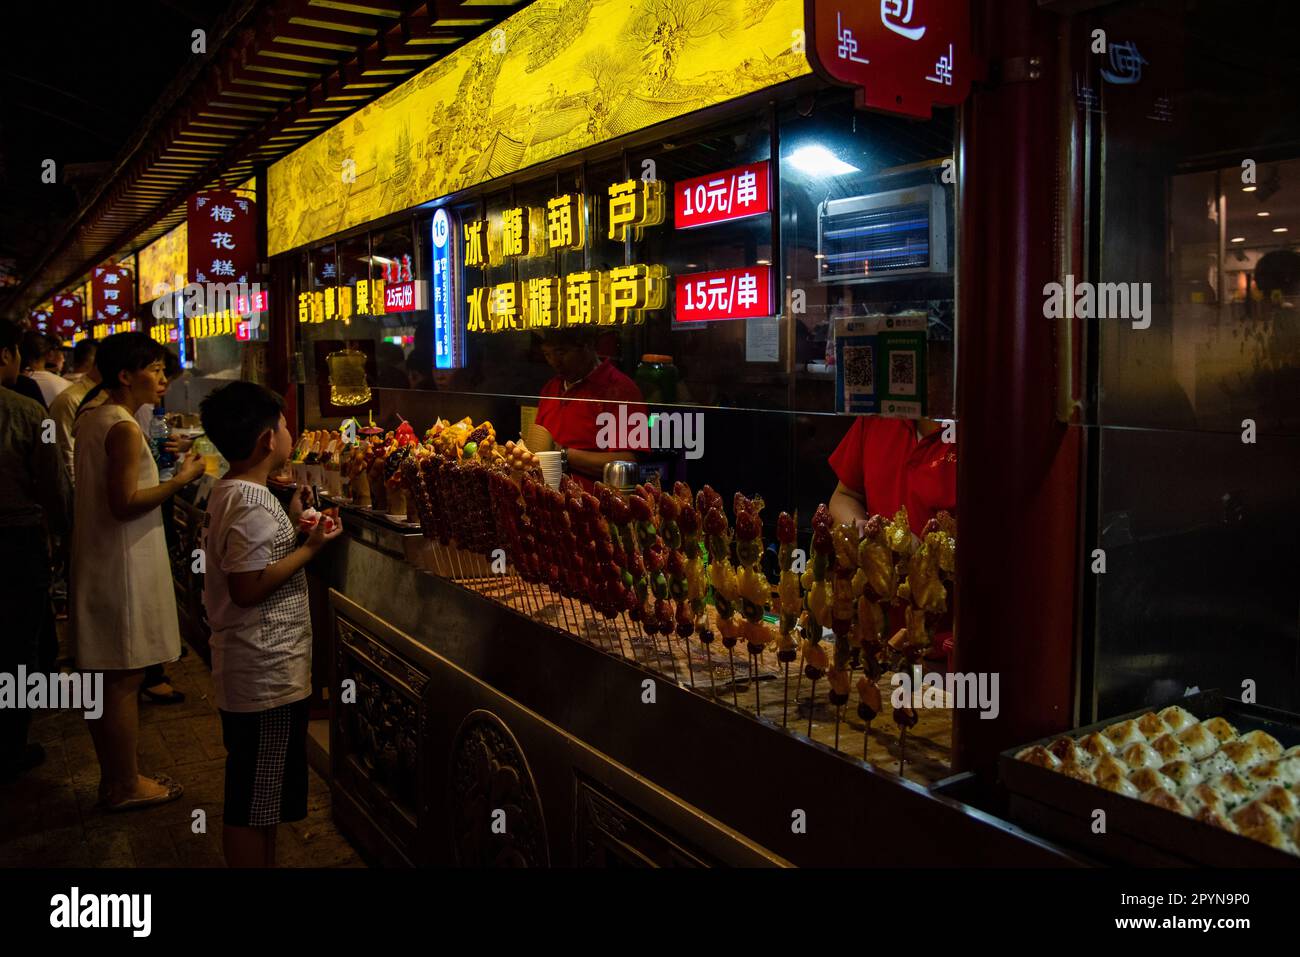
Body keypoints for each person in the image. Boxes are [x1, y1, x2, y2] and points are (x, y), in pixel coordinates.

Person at [199, 381, 342, 867]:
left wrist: (295, 519)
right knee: (252, 801)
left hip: (255, 669)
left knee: (261, 797)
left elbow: (254, 557)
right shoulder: (252, 502)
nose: (289, 431)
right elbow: (247, 588)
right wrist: (309, 549)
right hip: (264, 673)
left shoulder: (237, 491)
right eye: (283, 425)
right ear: (266, 440)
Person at [71, 333, 205, 811]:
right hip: (123, 564)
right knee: (124, 677)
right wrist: (183, 479)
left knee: (106, 677)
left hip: (102, 559)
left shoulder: (94, 416)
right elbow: (125, 503)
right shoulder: (123, 428)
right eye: (154, 368)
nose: (164, 377)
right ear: (126, 376)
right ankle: (125, 784)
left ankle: (115, 779)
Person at [0, 319, 72, 780]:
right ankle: (9, 746)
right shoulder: (29, 414)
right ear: (7, 354)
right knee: (14, 645)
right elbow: (52, 483)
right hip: (15, 543)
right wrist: (65, 532)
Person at [529, 326, 644, 489]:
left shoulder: (620, 389)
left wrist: (562, 454)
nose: (554, 362)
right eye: (548, 354)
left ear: (588, 346)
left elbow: (627, 462)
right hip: (549, 499)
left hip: (595, 502)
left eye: (561, 353)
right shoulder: (551, 388)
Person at [23, 331, 70, 406]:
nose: (63, 359)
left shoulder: (10, 383)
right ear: (50, 353)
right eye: (62, 353)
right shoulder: (67, 387)